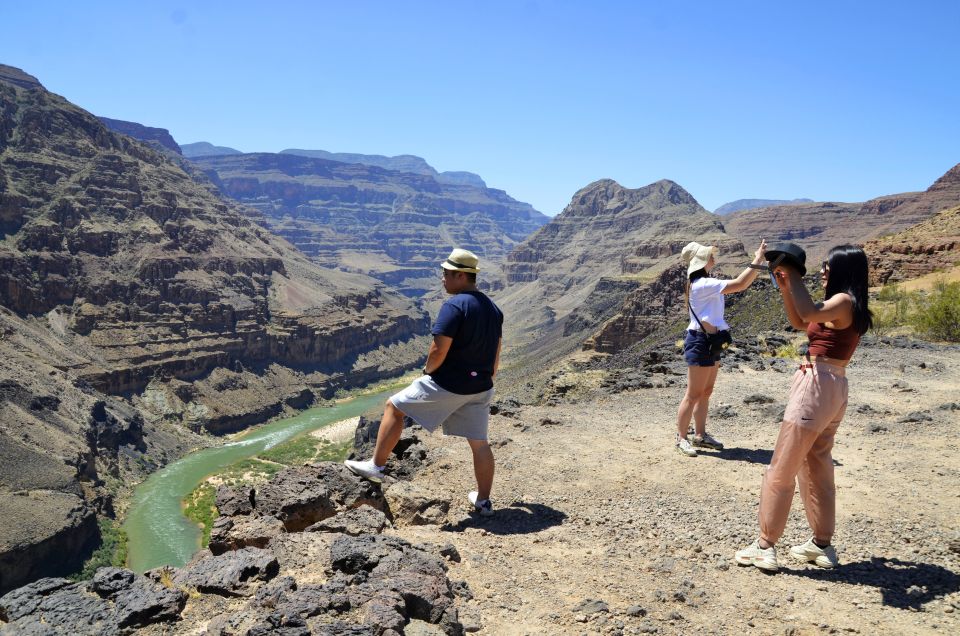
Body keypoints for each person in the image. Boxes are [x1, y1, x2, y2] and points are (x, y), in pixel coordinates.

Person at [736, 244, 873, 572]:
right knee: (817, 464)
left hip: (817, 384)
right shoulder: (844, 304)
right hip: (833, 386)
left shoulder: (841, 301)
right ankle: (821, 544)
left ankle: (765, 545)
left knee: (782, 465)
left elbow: (809, 311)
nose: (823, 270)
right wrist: (786, 288)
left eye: (829, 265)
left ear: (843, 271)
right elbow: (801, 321)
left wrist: (793, 270)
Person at [345, 248, 503, 516]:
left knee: (394, 406)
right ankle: (484, 501)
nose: (442, 279)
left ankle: (376, 466)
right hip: (482, 385)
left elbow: (438, 349)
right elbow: (497, 351)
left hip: (450, 382)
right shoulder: (493, 308)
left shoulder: (454, 305)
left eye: (445, 274)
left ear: (461, 276)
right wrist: (488, 378)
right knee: (479, 442)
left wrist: (429, 371)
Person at [675, 238, 768, 457]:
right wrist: (757, 259)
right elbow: (740, 284)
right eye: (710, 255)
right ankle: (681, 438)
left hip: (711, 341)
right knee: (693, 394)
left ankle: (700, 435)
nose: (713, 257)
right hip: (699, 341)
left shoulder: (703, 282)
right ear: (702, 261)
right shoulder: (703, 285)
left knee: (705, 392)